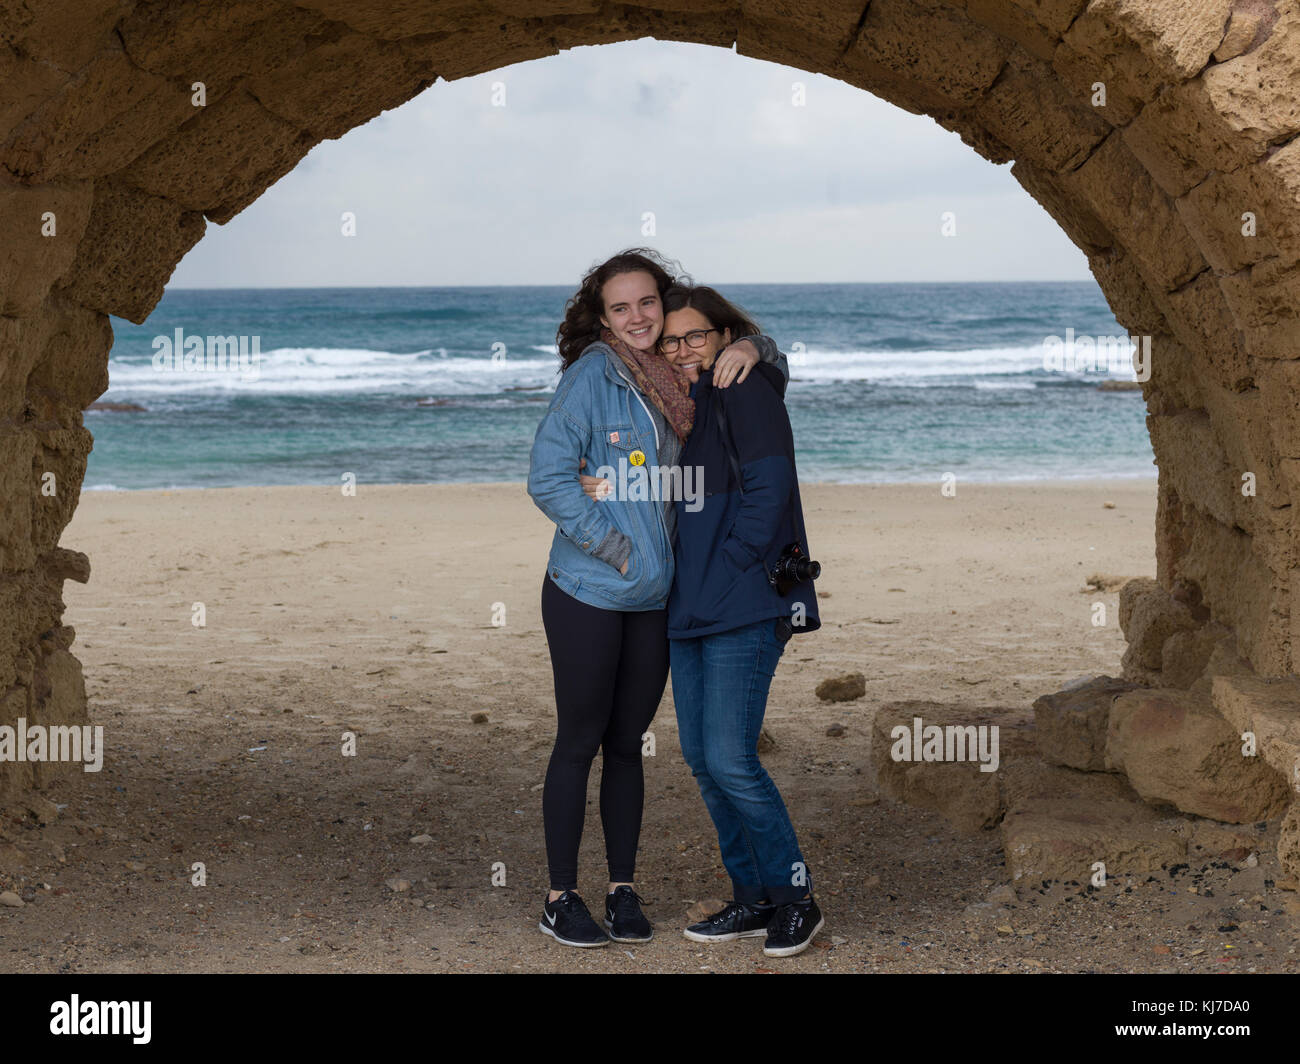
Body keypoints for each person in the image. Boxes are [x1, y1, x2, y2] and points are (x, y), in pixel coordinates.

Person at [526, 249, 788, 948]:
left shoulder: (684, 371)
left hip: (657, 601)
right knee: (580, 740)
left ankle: (622, 890)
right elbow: (549, 479)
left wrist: (756, 345)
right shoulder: (593, 376)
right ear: (603, 316)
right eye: (621, 308)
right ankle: (560, 896)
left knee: (627, 745)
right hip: (588, 589)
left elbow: (758, 376)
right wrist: (618, 550)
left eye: (648, 304)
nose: (638, 318)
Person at [656, 283, 824, 958]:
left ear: (726, 336)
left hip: (743, 600)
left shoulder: (744, 388)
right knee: (702, 759)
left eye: (695, 335)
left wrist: (730, 562)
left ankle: (796, 899)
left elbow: (770, 490)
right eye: (669, 340)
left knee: (730, 756)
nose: (682, 349)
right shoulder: (675, 405)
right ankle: (752, 897)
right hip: (684, 604)